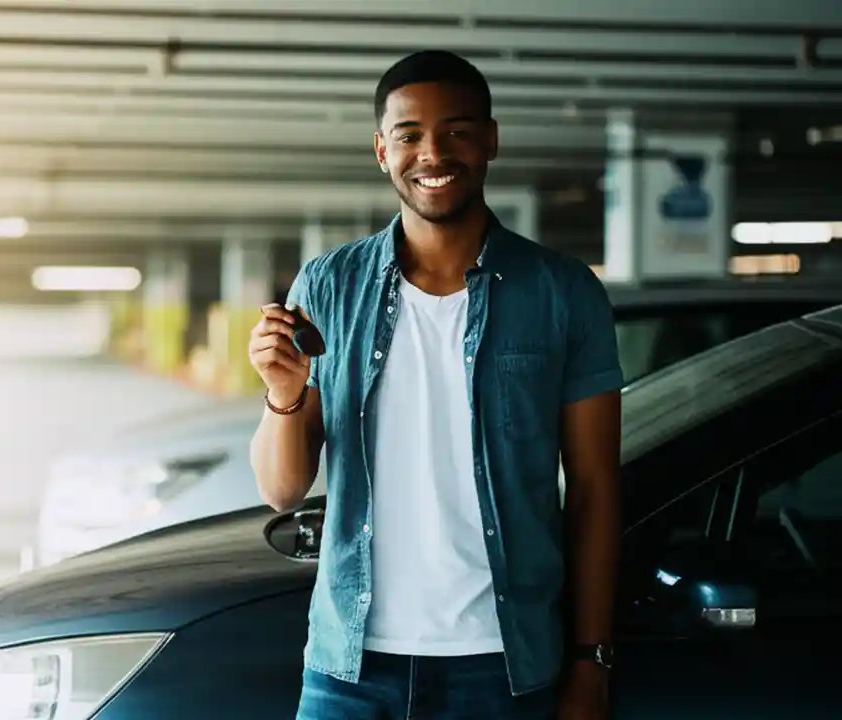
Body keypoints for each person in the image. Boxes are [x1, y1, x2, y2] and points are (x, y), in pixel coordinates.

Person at [248, 50, 622, 720]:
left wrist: (591, 660)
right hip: (350, 673)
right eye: (410, 136)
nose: (433, 153)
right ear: (381, 151)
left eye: (456, 131)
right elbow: (282, 489)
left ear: (491, 140)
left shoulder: (563, 292)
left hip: (506, 669)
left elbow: (593, 490)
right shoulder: (327, 287)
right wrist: (285, 391)